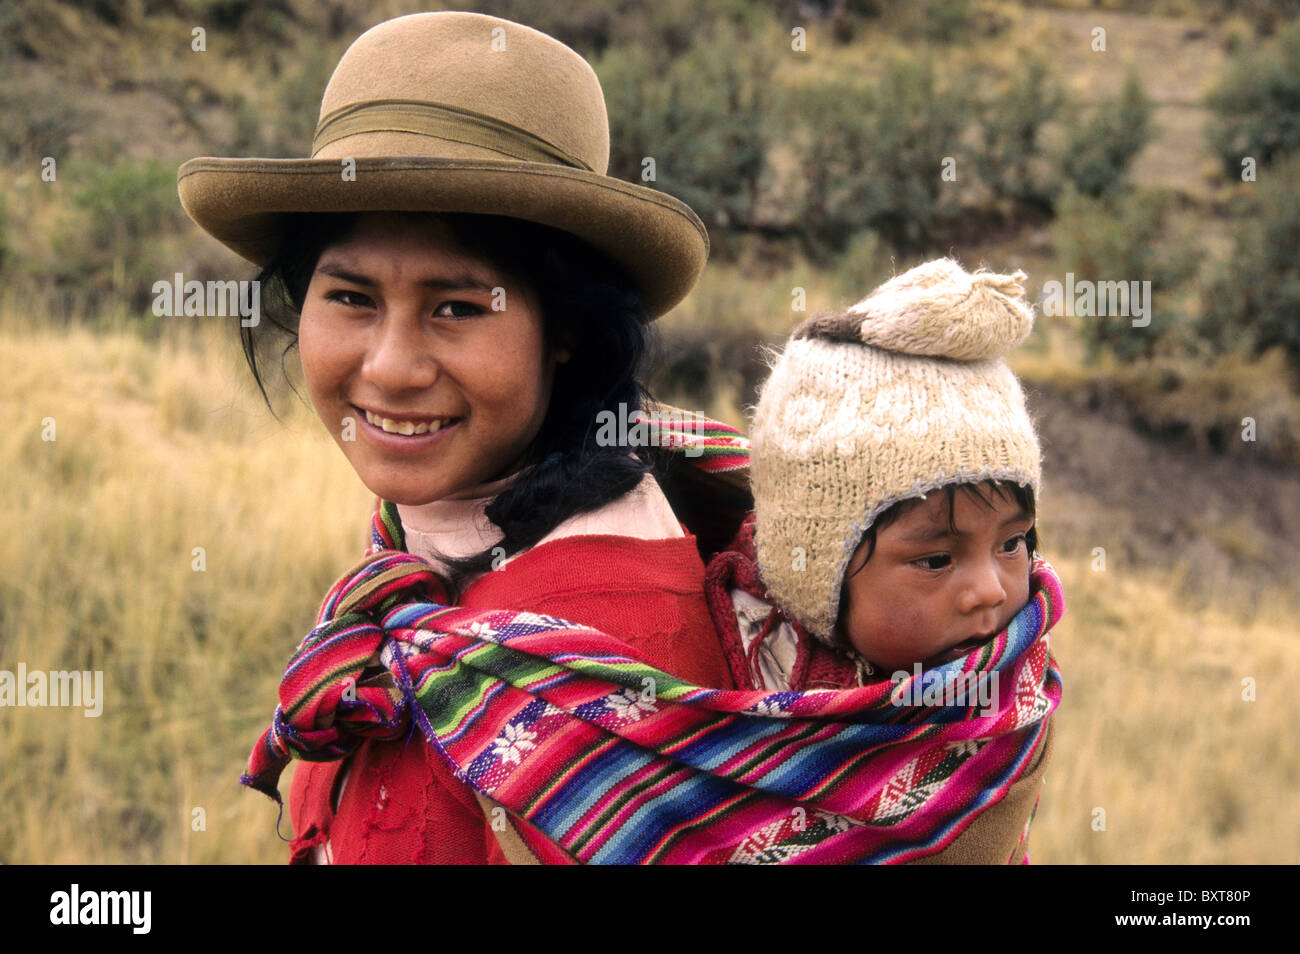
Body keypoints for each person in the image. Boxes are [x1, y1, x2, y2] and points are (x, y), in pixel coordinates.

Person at [179, 10, 739, 863]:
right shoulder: (434, 542)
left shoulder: (609, 647)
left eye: (457, 308)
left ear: (568, 330)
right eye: (351, 297)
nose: (392, 367)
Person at [704, 257, 1064, 863]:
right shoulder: (729, 678)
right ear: (816, 574)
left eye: (1011, 543)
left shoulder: (1013, 688)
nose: (990, 590)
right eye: (935, 560)